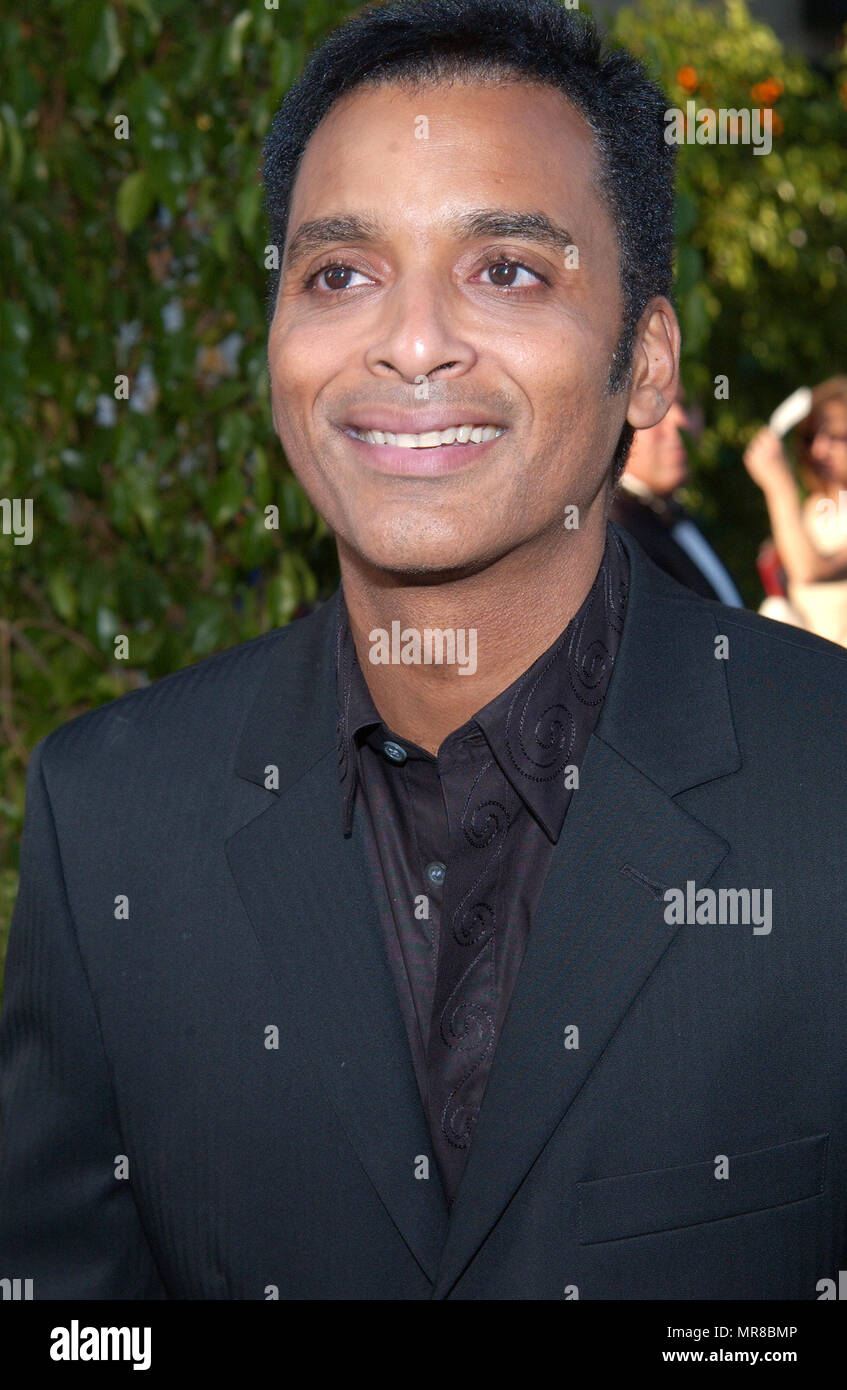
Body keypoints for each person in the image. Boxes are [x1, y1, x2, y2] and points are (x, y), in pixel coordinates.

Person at [1, 0, 845, 1302]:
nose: (406, 342)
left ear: (648, 364)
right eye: (338, 273)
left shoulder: (824, 784)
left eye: (505, 268)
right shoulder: (109, 813)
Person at [611, 390, 743, 604]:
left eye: (687, 403)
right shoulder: (614, 538)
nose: (680, 421)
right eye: (655, 405)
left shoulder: (672, 513)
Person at [744, 376, 847, 646]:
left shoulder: (794, 501)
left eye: (836, 436)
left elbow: (810, 570)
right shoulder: (811, 509)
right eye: (812, 436)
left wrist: (779, 486)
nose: (818, 449)